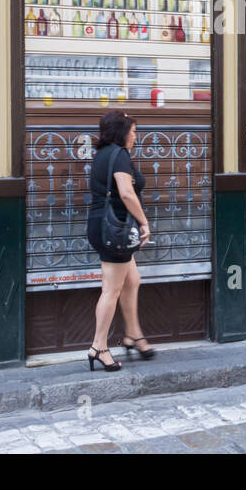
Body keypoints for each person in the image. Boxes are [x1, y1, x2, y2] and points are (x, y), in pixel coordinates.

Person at [85, 109, 156, 371]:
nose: (136, 137)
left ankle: (133, 336)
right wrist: (144, 222)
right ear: (123, 132)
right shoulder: (120, 155)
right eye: (134, 131)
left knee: (132, 280)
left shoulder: (104, 154)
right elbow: (126, 193)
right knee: (111, 289)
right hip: (114, 229)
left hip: (106, 227)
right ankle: (98, 347)